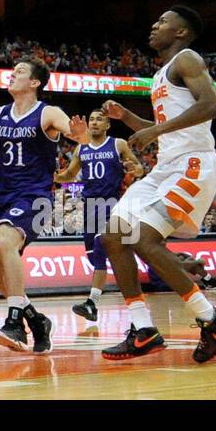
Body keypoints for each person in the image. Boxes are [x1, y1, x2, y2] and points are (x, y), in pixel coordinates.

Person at [99, 6, 216, 363]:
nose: (154, 25)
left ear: (180, 32)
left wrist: (155, 130)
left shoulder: (187, 59)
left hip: (192, 165)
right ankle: (143, 329)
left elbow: (212, 106)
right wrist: (128, 118)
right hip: (166, 166)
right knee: (113, 234)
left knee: (143, 238)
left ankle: (211, 316)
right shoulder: (161, 73)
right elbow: (172, 123)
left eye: (162, 21)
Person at [0, 59, 86, 353]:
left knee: (4, 241)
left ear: (35, 82)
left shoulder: (48, 113)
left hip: (36, 197)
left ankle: (14, 323)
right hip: (3, 198)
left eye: (20, 72)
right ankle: (36, 320)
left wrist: (79, 134)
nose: (12, 76)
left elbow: (77, 135)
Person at [54, 107, 142, 321]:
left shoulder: (118, 144)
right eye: (91, 119)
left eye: (99, 119)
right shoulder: (80, 149)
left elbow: (138, 168)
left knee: (102, 250)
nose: (94, 122)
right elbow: (68, 175)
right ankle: (96, 303)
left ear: (107, 125)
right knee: (96, 258)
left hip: (112, 204)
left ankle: (92, 302)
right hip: (90, 207)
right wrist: (50, 175)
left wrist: (134, 168)